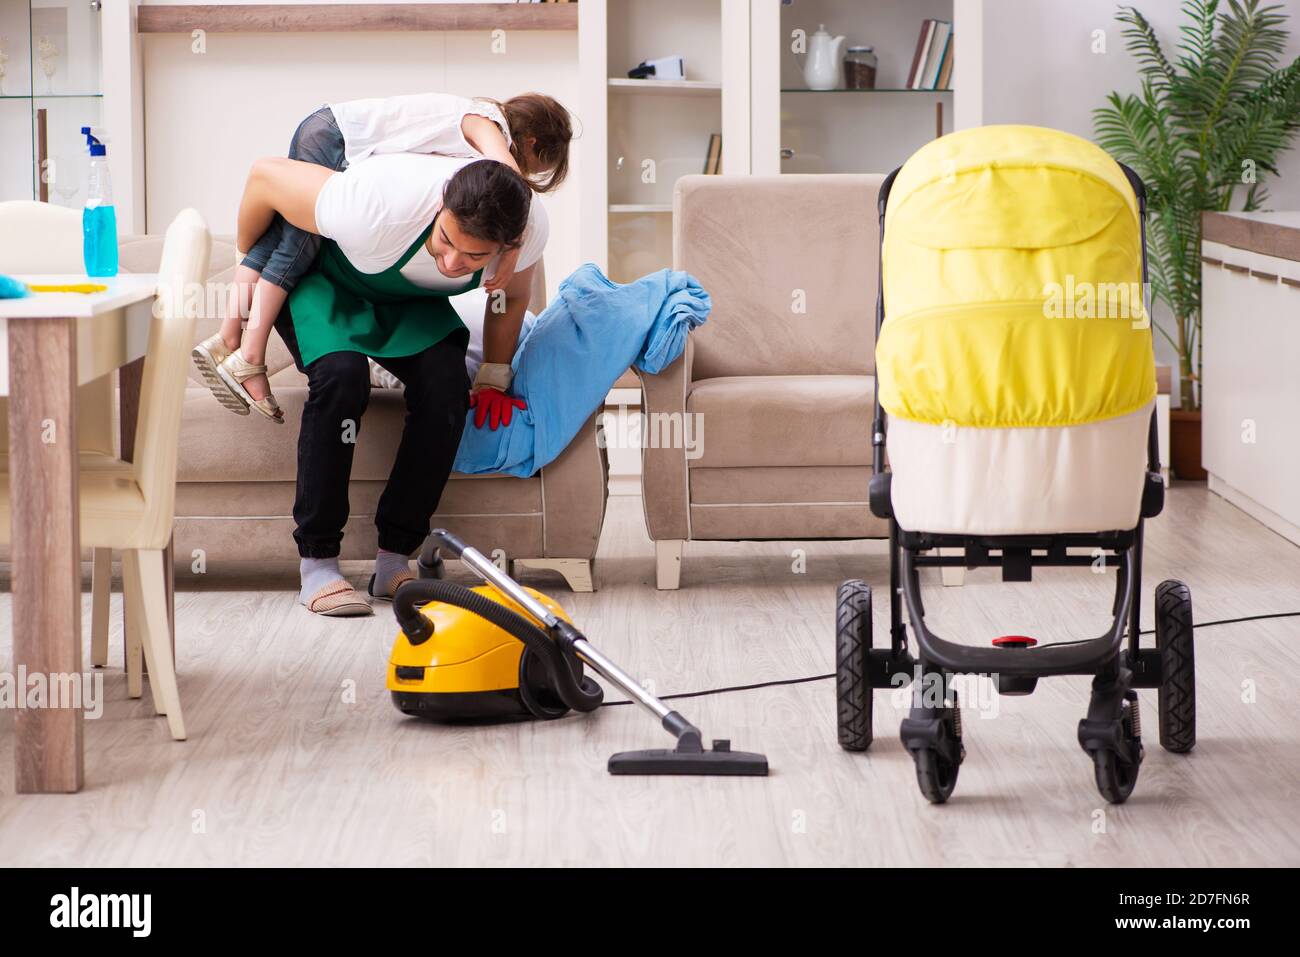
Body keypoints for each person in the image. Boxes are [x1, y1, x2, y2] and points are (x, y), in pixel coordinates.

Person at [227, 152, 547, 616]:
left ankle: (394, 558)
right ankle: (318, 564)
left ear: (509, 244)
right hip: (328, 284)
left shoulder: (528, 238)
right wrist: (244, 292)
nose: (454, 262)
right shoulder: (373, 206)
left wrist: (494, 376)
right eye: (446, 241)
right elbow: (266, 184)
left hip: (408, 302)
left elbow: (511, 299)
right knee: (342, 380)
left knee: (445, 388)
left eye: (474, 256)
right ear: (439, 209)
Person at [192, 91, 571, 422]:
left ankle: (228, 343)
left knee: (285, 244)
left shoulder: (473, 135)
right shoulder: (488, 127)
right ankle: (243, 352)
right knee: (291, 252)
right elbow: (510, 181)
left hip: (343, 141)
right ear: (533, 142)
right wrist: (511, 247)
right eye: (540, 165)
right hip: (333, 135)